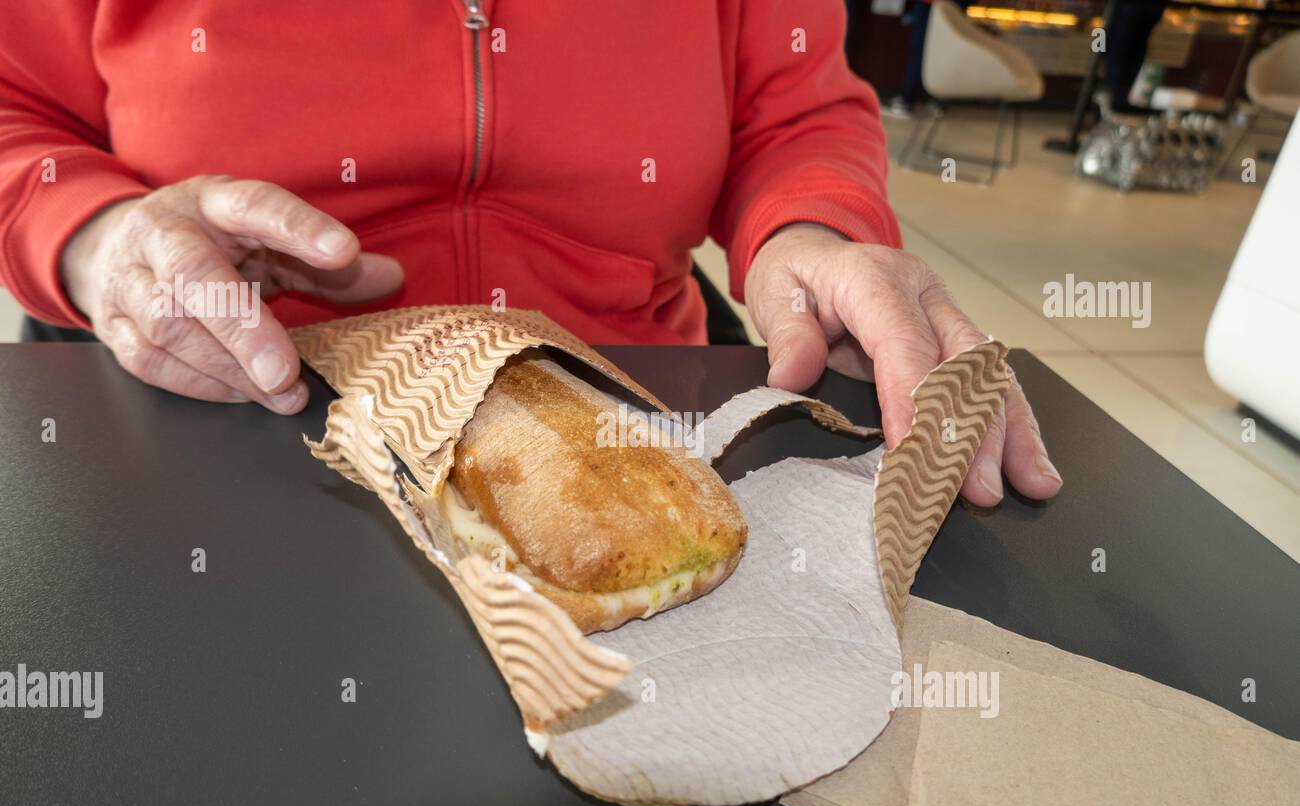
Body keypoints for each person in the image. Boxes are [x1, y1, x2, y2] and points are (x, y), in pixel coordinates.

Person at [0, 1, 1060, 506]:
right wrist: (97, 239)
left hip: (635, 411)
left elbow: (791, 109)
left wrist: (810, 229)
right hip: (238, 430)